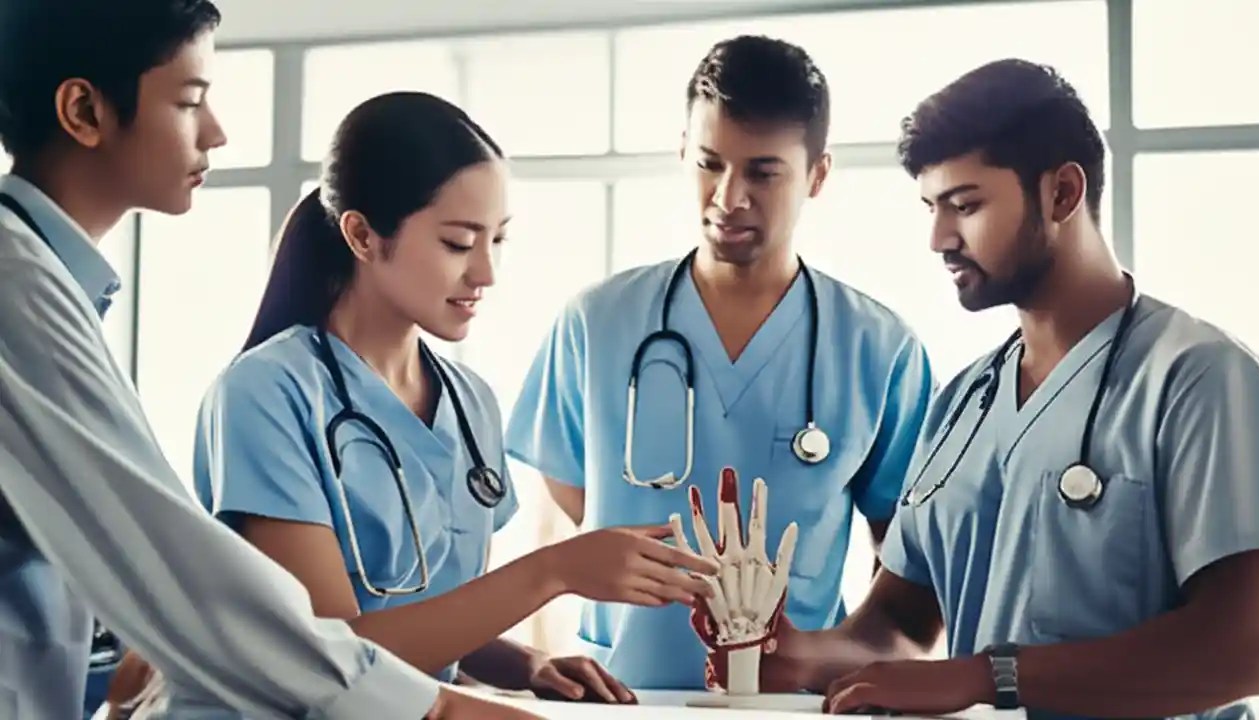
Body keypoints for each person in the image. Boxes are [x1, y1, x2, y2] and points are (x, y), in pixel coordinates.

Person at [100, 90, 720, 716]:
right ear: (363, 236)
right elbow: (327, 656)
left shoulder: (470, 403)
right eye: (458, 243)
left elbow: (428, 616)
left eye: (497, 239)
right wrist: (553, 571)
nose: (486, 273)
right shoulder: (266, 394)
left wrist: (523, 664)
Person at [0, 1, 538, 718]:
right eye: (189, 101)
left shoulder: (48, 282)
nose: (216, 131)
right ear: (84, 111)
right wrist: (429, 707)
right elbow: (163, 556)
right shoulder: (16, 285)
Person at [756, 59, 1259, 719]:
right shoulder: (961, 404)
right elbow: (898, 625)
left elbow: (1254, 648)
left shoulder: (1199, 379)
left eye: (966, 205)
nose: (939, 238)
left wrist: (991, 676)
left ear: (1062, 193)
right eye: (932, 208)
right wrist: (797, 654)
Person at [504, 34, 936, 691]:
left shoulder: (879, 349)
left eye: (763, 173)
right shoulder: (596, 323)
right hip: (624, 694)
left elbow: (906, 566)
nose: (729, 197)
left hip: (791, 702)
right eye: (710, 163)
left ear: (817, 175)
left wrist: (834, 657)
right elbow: (573, 498)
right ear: (684, 152)